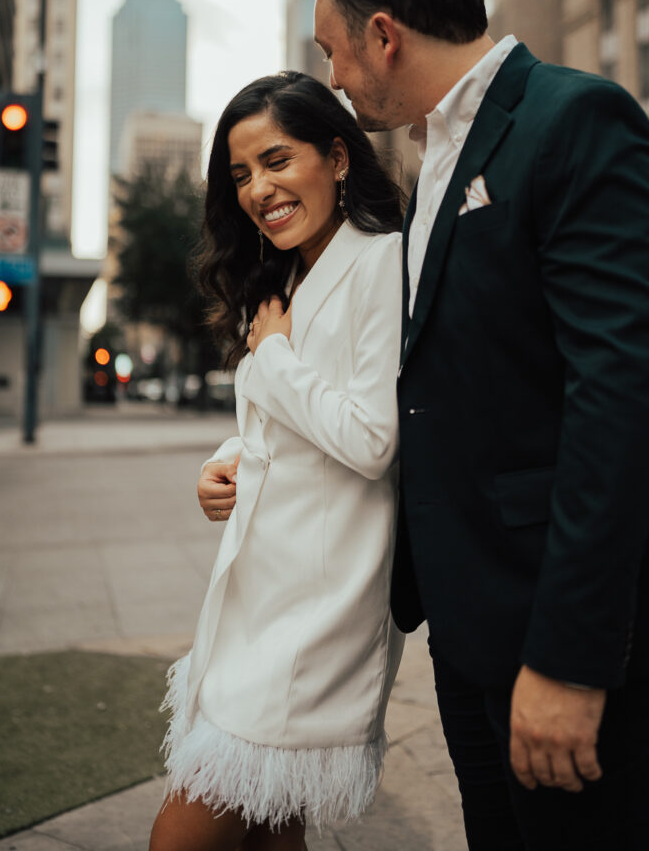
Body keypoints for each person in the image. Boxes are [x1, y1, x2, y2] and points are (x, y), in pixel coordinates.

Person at [305, 0, 649, 851]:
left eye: (331, 51)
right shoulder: (435, 161)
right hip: (476, 628)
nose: (330, 77)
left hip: (571, 641)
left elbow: (620, 396)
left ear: (383, 36)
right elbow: (448, 386)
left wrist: (570, 660)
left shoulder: (577, 118)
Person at [151, 72, 405, 851]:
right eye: (241, 176)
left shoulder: (383, 263)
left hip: (319, 608)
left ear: (336, 158)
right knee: (269, 836)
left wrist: (278, 358)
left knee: (182, 836)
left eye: (276, 160)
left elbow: (372, 439)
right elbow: (287, 420)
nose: (259, 189)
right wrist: (227, 459)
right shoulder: (283, 277)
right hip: (262, 593)